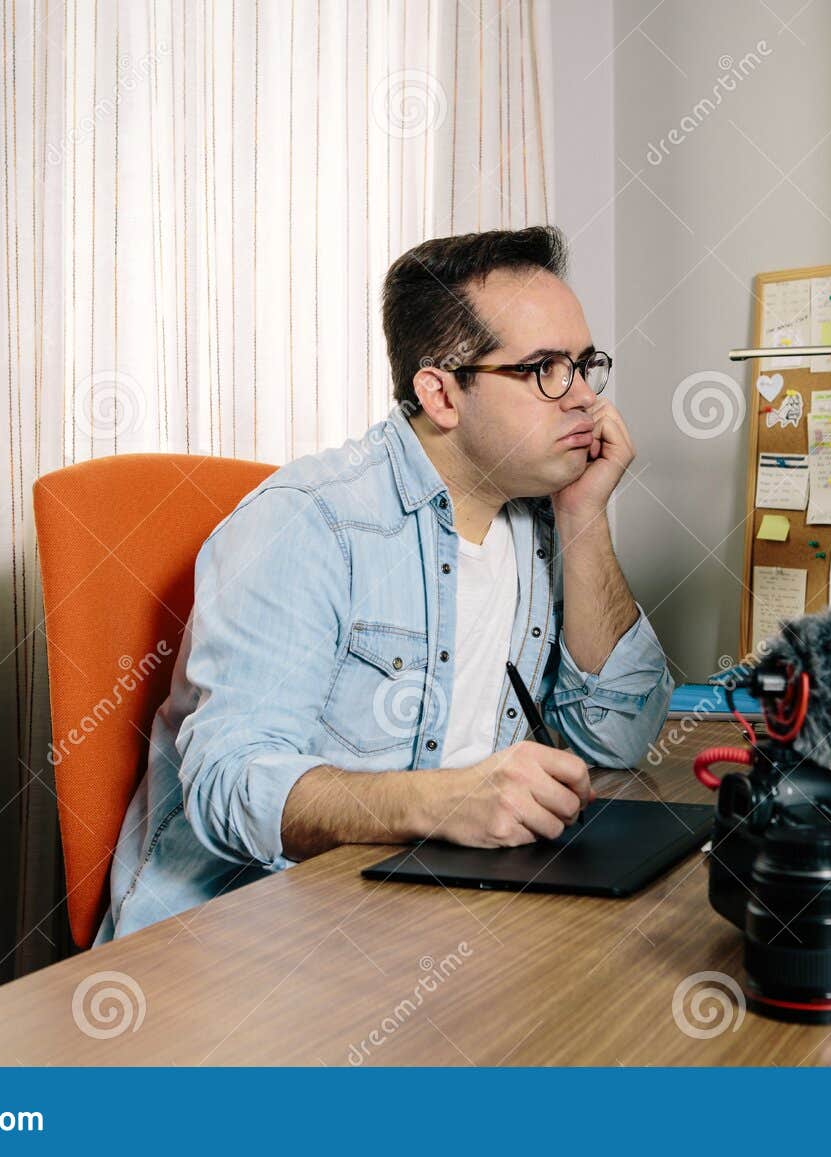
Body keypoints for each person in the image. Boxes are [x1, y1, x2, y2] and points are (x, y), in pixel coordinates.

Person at [96, 225, 674, 941]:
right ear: (441, 394)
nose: (584, 397)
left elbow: (619, 737)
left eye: (586, 365)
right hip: (244, 937)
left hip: (429, 913)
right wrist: (440, 803)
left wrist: (586, 518)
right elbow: (229, 786)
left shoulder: (543, 518)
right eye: (545, 370)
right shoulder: (307, 524)